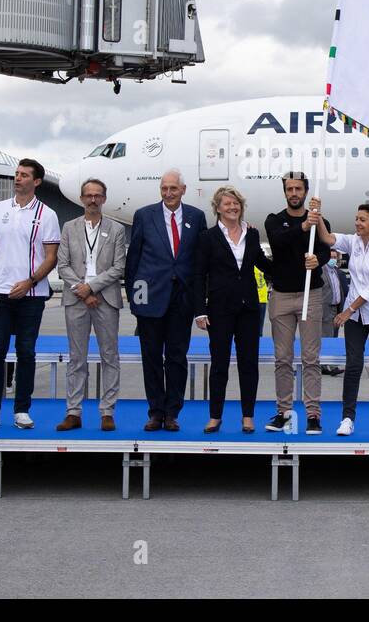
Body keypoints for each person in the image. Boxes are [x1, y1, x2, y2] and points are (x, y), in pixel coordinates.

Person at [0, 159, 61, 430]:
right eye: (17, 174)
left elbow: (51, 257)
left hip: (31, 294)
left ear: (36, 182)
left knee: (26, 352)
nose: (18, 178)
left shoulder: (47, 214)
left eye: (24, 175)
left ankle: (22, 409)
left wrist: (30, 280)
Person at [308, 198, 369, 437]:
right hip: (356, 318)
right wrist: (317, 216)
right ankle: (347, 418)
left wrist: (347, 311)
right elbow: (328, 239)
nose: (357, 223)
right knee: (353, 365)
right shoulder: (354, 242)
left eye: (362, 220)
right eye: (356, 219)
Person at [125, 169, 206, 432]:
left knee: (176, 358)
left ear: (183, 189)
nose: (169, 193)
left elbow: (200, 262)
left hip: (181, 300)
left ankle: (172, 413)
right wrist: (134, 301)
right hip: (150, 298)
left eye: (173, 188)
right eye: (164, 189)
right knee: (150, 357)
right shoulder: (144, 215)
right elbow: (133, 261)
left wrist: (198, 302)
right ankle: (155, 412)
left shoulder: (196, 216)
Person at [194, 186, 274, 433]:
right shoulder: (207, 237)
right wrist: (200, 310)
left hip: (249, 308)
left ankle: (248, 415)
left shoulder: (252, 234)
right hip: (219, 310)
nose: (232, 207)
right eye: (227, 204)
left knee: (248, 363)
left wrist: (292, 266)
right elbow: (198, 276)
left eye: (236, 203)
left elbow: (263, 264)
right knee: (219, 364)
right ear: (217, 208)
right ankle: (215, 415)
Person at [264, 171, 332, 434]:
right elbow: (278, 243)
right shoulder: (275, 220)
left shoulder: (319, 220)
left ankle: (313, 414)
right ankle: (283, 412)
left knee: (311, 358)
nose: (294, 193)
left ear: (305, 191)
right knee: (282, 357)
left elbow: (325, 248)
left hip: (310, 294)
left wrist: (319, 260)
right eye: (289, 189)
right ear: (285, 192)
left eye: (298, 189)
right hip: (281, 296)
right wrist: (303, 227)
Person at [55, 178, 126, 432]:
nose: (93, 199)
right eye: (88, 195)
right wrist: (82, 290)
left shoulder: (116, 229)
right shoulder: (69, 228)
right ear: (82, 198)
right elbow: (62, 264)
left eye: (97, 195)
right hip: (76, 299)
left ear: (104, 198)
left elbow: (119, 266)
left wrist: (93, 287)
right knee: (77, 357)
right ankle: (73, 411)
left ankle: (108, 411)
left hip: (106, 298)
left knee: (110, 356)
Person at [319, 250, 347, 347]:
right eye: (331, 257)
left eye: (335, 257)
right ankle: (324, 360)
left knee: (333, 336)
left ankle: (330, 359)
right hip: (325, 310)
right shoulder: (321, 271)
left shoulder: (335, 272)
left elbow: (340, 291)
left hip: (336, 309)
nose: (333, 259)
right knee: (326, 337)